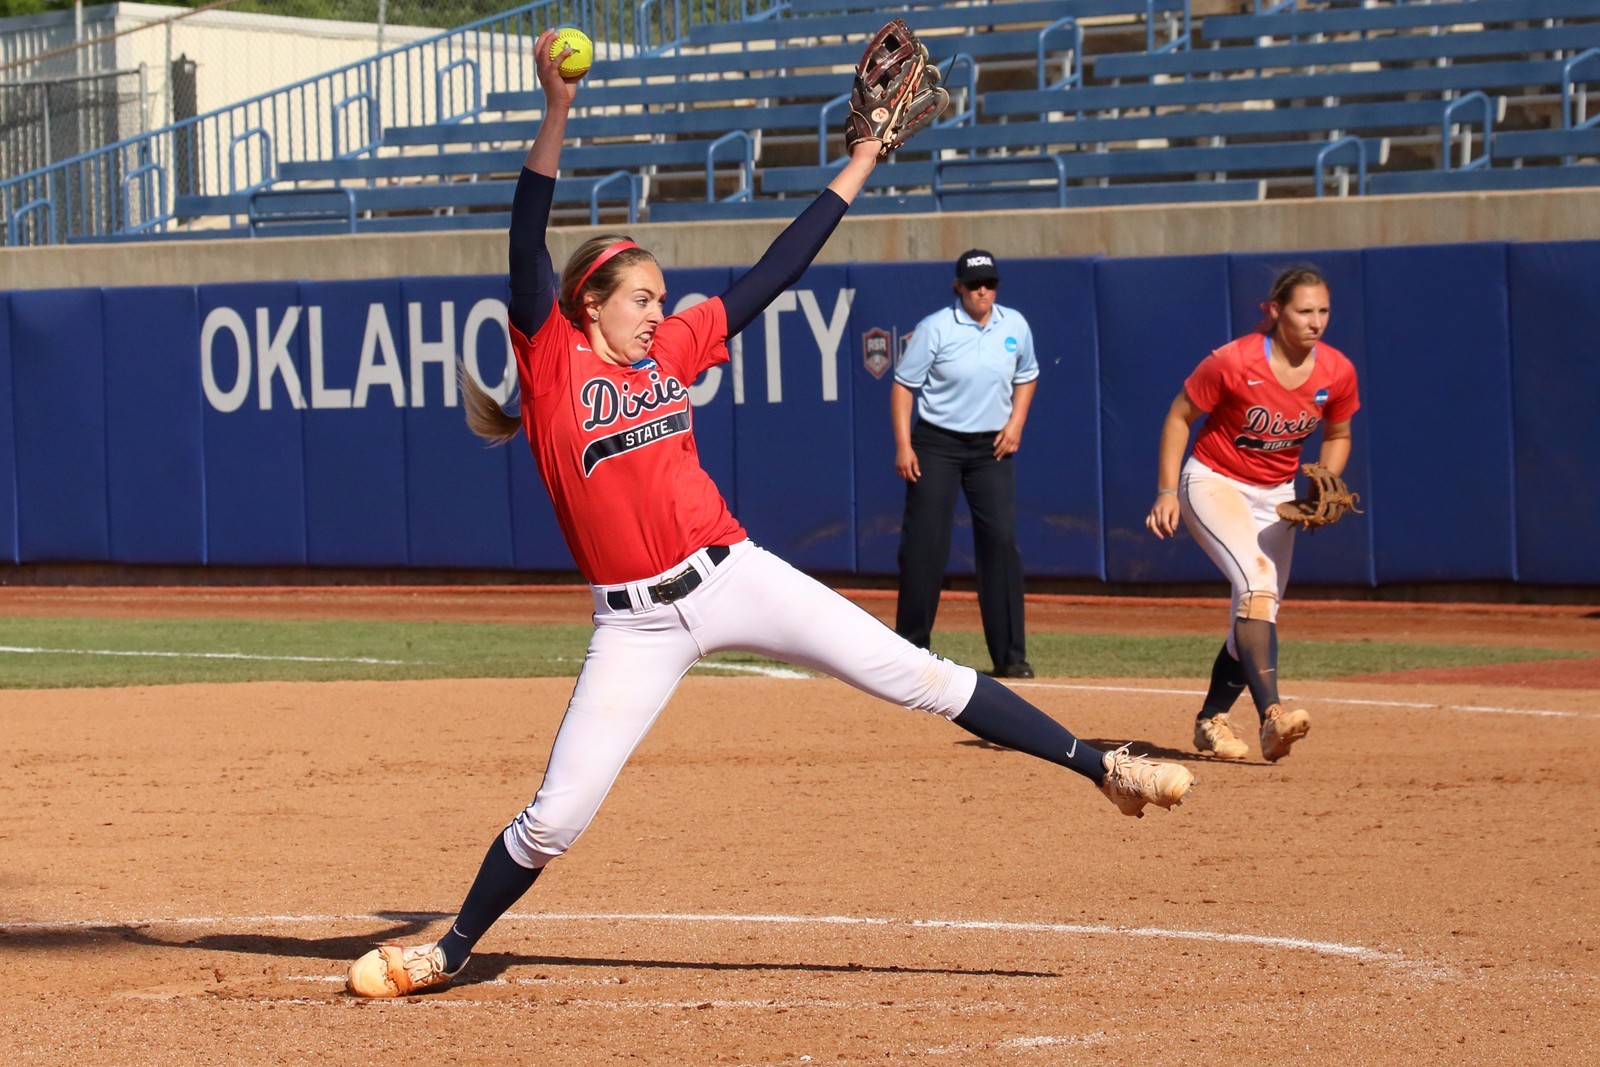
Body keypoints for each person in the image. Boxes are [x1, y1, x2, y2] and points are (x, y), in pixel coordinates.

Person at [344, 29, 1195, 999]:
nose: (657, 313)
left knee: (915, 673)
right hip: (633, 622)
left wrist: (864, 157)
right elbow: (526, 223)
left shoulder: (674, 349)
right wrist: (556, 109)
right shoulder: (551, 358)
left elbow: (775, 270)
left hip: (732, 569)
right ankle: (450, 946)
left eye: (661, 298)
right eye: (638, 299)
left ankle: (1102, 765)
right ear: (586, 305)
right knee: (555, 816)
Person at [1143, 266, 1360, 763]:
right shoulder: (1234, 361)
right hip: (1214, 481)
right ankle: (1272, 716)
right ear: (1275, 310)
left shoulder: (1336, 370)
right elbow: (1179, 415)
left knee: (1258, 607)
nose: (1316, 321)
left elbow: (1338, 434)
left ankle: (1211, 721)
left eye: (1323, 310)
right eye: (1304, 310)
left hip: (1276, 494)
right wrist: (1165, 490)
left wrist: (1323, 482)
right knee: (1258, 586)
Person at [891, 250, 1038, 679]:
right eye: (974, 285)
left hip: (991, 446)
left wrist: (1017, 424)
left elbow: (1027, 374)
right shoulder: (936, 327)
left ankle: (1010, 656)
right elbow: (904, 386)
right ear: (958, 286)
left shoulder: (1014, 325)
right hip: (937, 442)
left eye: (989, 284)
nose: (982, 292)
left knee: (1001, 541)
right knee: (925, 544)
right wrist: (904, 445)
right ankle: (911, 650)